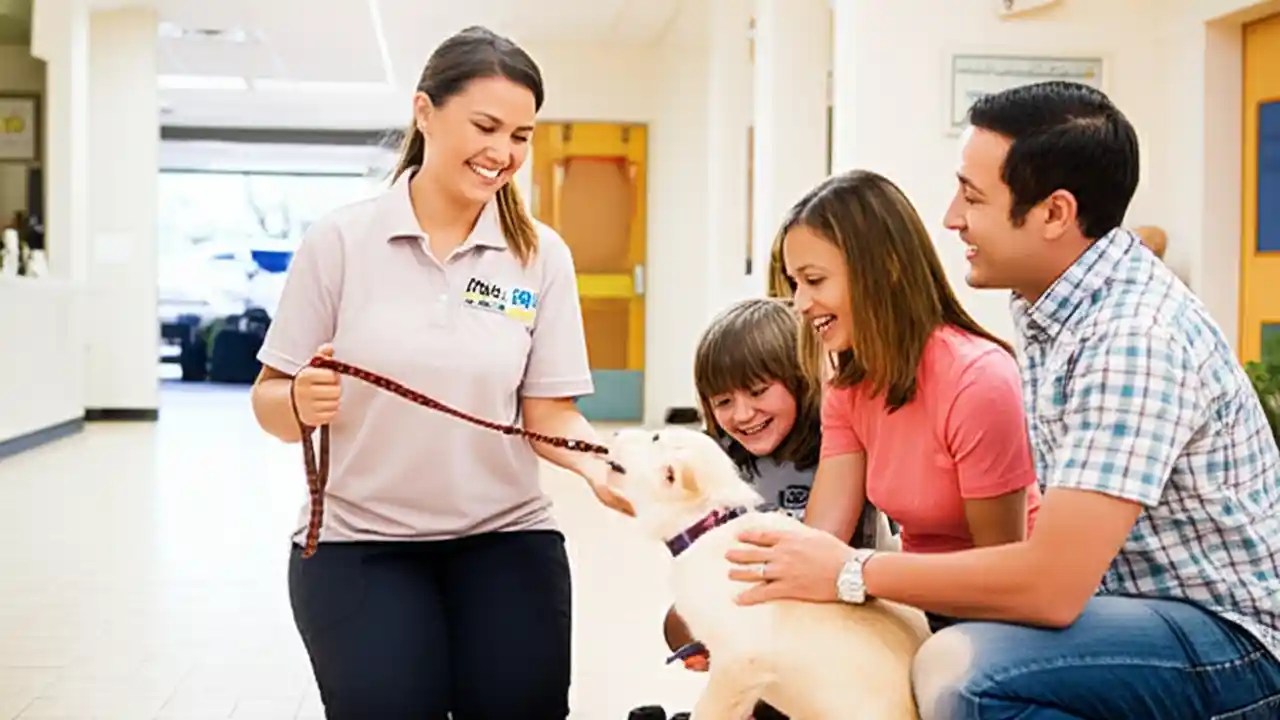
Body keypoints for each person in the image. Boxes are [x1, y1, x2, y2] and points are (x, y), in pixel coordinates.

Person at [726, 81, 1280, 720]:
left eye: (973, 195)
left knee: (966, 674)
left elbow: (1050, 588)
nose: (951, 217)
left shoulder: (1131, 338)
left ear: (1053, 213)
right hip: (1129, 610)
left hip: (1233, 641)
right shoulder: (1055, 311)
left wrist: (854, 571)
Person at [248, 26, 630, 719]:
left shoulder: (540, 256)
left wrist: (603, 464)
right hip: (359, 546)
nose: (502, 153)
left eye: (521, 135)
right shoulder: (339, 242)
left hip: (506, 537)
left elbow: (549, 415)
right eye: (485, 126)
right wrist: (300, 399)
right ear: (425, 112)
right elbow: (269, 404)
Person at [745, 169, 1042, 635]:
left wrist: (858, 579)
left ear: (884, 267)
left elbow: (997, 578)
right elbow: (823, 537)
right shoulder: (849, 385)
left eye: (814, 280)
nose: (799, 303)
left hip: (988, 613)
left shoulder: (979, 379)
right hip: (908, 595)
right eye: (794, 283)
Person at [631, 298, 888, 720]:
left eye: (757, 392)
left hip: (834, 627)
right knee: (677, 625)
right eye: (723, 401)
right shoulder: (719, 462)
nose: (743, 414)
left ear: (800, 380)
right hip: (756, 625)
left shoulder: (838, 446)